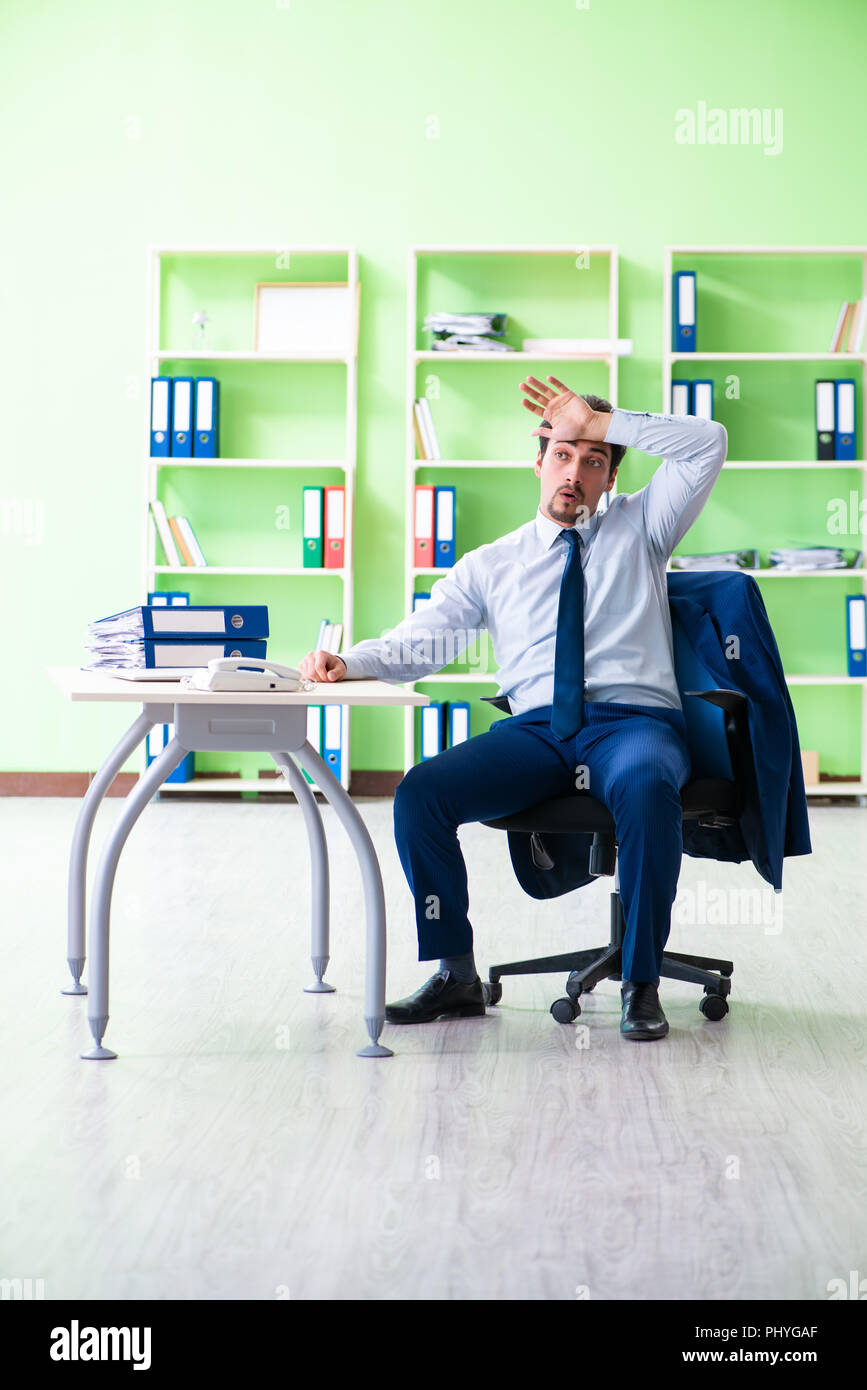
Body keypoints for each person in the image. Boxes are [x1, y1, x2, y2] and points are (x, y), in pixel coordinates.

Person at [299, 377, 728, 1040]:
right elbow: (421, 642)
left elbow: (706, 444)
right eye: (562, 453)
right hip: (538, 734)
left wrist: (598, 419)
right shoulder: (491, 564)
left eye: (593, 460)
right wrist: (350, 662)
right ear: (537, 460)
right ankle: (457, 974)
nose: (574, 473)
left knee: (645, 786)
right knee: (421, 793)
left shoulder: (644, 526)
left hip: (632, 726)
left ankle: (640, 983)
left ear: (610, 473)